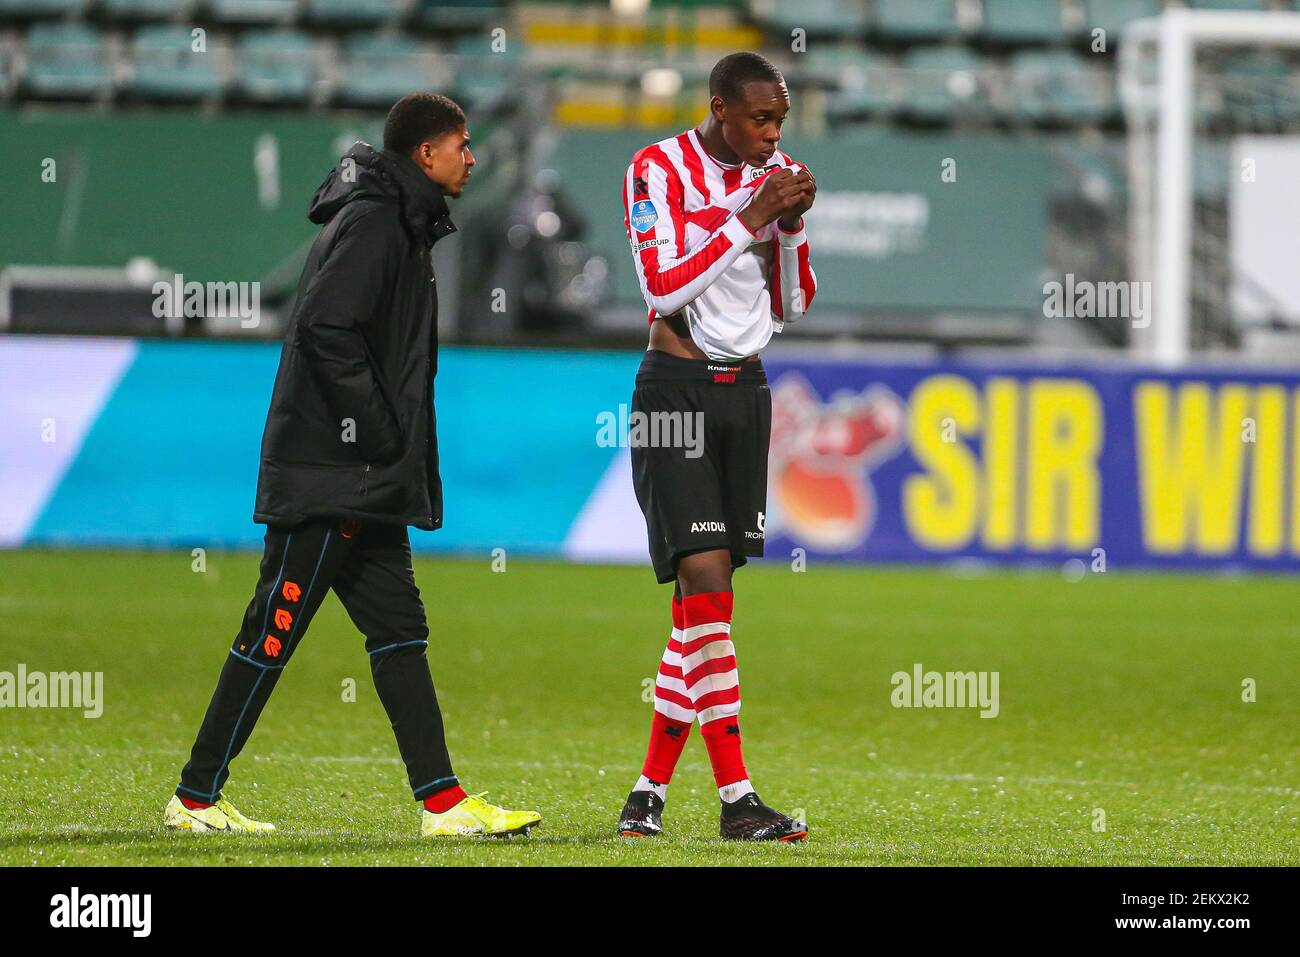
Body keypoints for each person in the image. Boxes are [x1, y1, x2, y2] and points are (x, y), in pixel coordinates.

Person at [163, 93, 541, 839]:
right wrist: (375, 431)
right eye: (461, 144)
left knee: (400, 629)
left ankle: (442, 802)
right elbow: (327, 328)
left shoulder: (395, 219)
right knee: (273, 627)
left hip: (360, 475)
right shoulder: (375, 222)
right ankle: (196, 797)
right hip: (336, 471)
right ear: (425, 155)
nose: (472, 156)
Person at [615, 52, 818, 842]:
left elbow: (794, 301)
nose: (773, 135)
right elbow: (661, 288)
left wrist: (791, 225)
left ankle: (647, 793)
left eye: (781, 121)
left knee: (703, 607)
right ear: (719, 111)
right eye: (760, 119)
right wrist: (751, 214)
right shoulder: (656, 168)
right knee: (704, 579)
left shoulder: (782, 175)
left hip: (749, 392)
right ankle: (738, 799)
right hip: (674, 390)